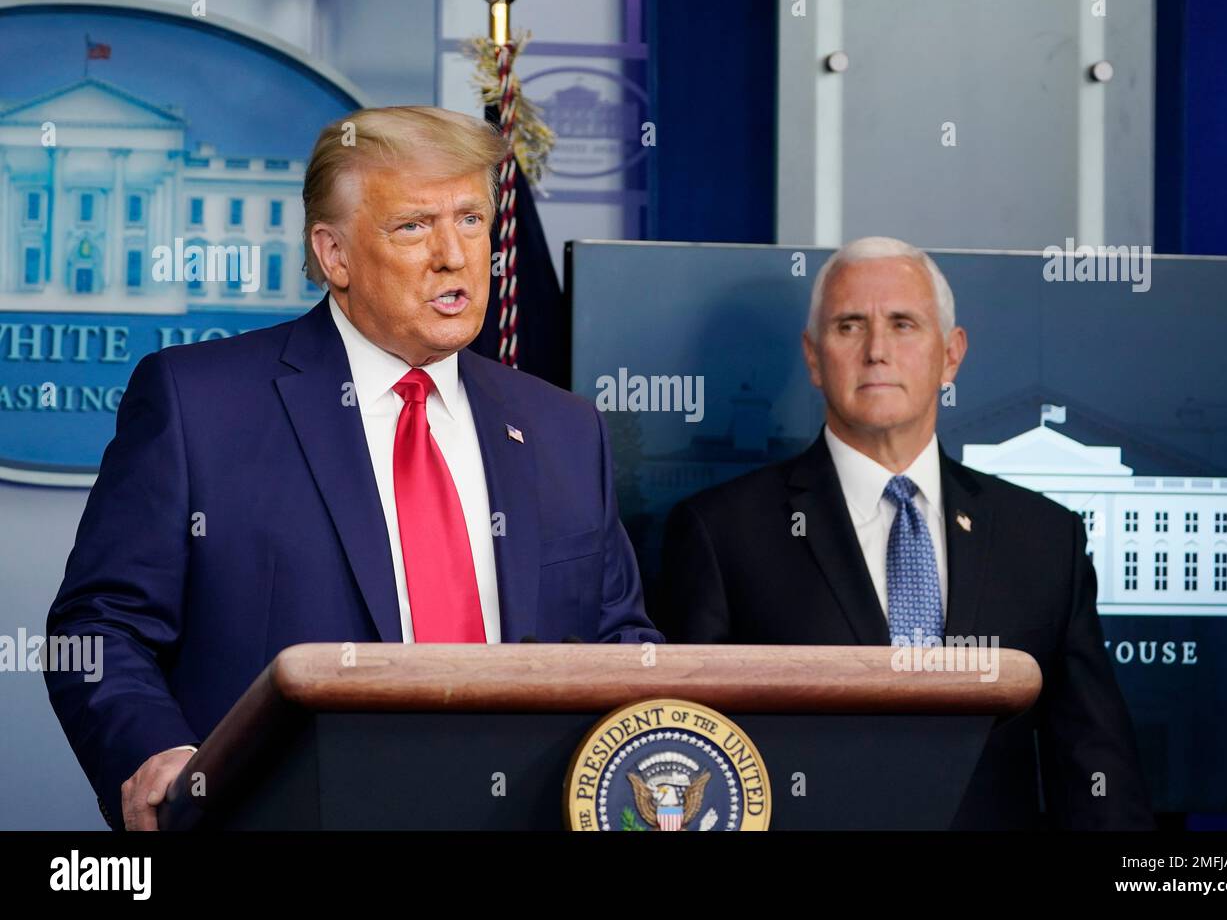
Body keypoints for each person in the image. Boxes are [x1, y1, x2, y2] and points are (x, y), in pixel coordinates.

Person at [45, 106, 661, 831]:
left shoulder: (564, 428)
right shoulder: (198, 405)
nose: (454, 254)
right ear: (334, 255)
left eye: (469, 219)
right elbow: (99, 628)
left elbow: (623, 644)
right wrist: (156, 754)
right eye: (413, 226)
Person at [656, 236, 1153, 829]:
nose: (876, 351)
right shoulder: (721, 533)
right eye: (849, 326)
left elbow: (1096, 770)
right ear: (813, 357)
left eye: (903, 324)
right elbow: (688, 759)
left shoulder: (1046, 540)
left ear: (950, 355)